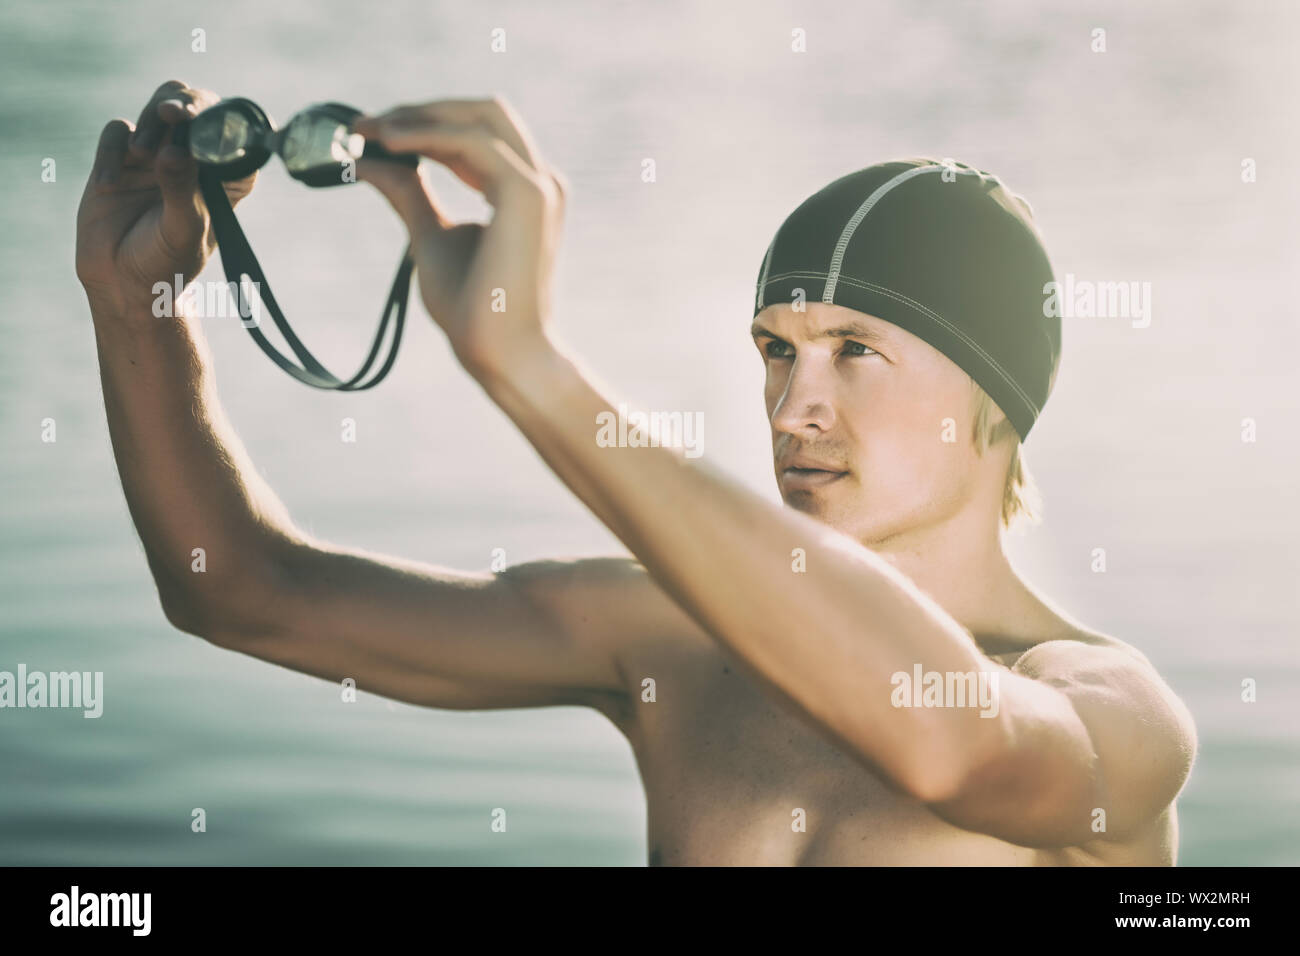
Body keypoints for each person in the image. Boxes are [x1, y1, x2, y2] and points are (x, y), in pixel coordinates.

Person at [76, 80, 1197, 866]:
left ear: (997, 402)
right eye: (775, 348)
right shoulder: (670, 638)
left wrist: (528, 367)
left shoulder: (1110, 713)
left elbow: (954, 743)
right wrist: (137, 309)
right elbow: (240, 590)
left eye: (857, 350)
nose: (794, 404)